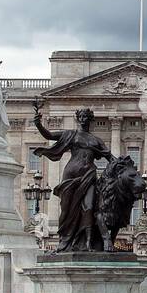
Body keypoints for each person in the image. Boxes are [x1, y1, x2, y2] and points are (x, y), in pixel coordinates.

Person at [30, 101, 115, 252]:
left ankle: (88, 242)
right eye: (81, 116)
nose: (83, 119)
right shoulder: (70, 134)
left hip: (88, 175)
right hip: (71, 174)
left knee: (89, 207)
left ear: (90, 119)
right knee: (66, 208)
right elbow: (49, 135)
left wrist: (125, 167)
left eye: (86, 116)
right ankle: (65, 239)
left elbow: (111, 159)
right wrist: (38, 124)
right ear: (78, 118)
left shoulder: (96, 140)